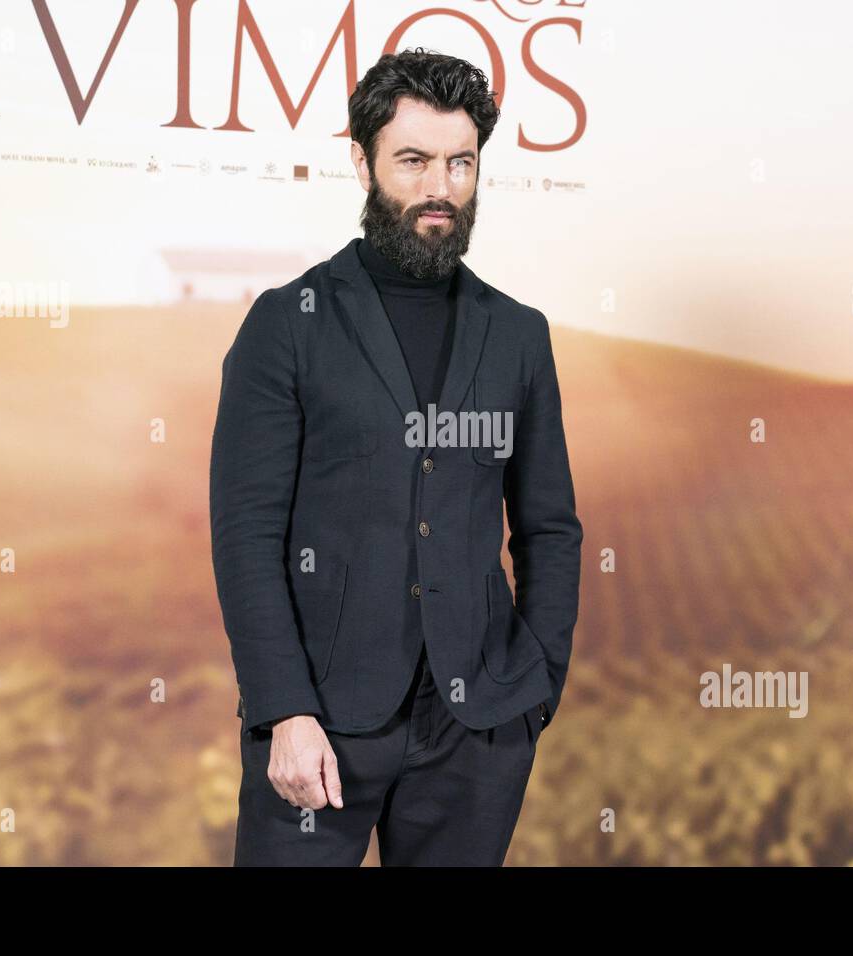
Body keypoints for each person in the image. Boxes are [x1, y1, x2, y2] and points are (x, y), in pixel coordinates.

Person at [210, 47, 583, 866]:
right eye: (413, 160)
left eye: (460, 162)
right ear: (361, 161)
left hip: (476, 731)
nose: (439, 187)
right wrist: (284, 711)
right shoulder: (288, 324)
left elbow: (550, 527)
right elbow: (246, 539)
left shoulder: (520, 335)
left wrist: (535, 688)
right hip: (320, 724)